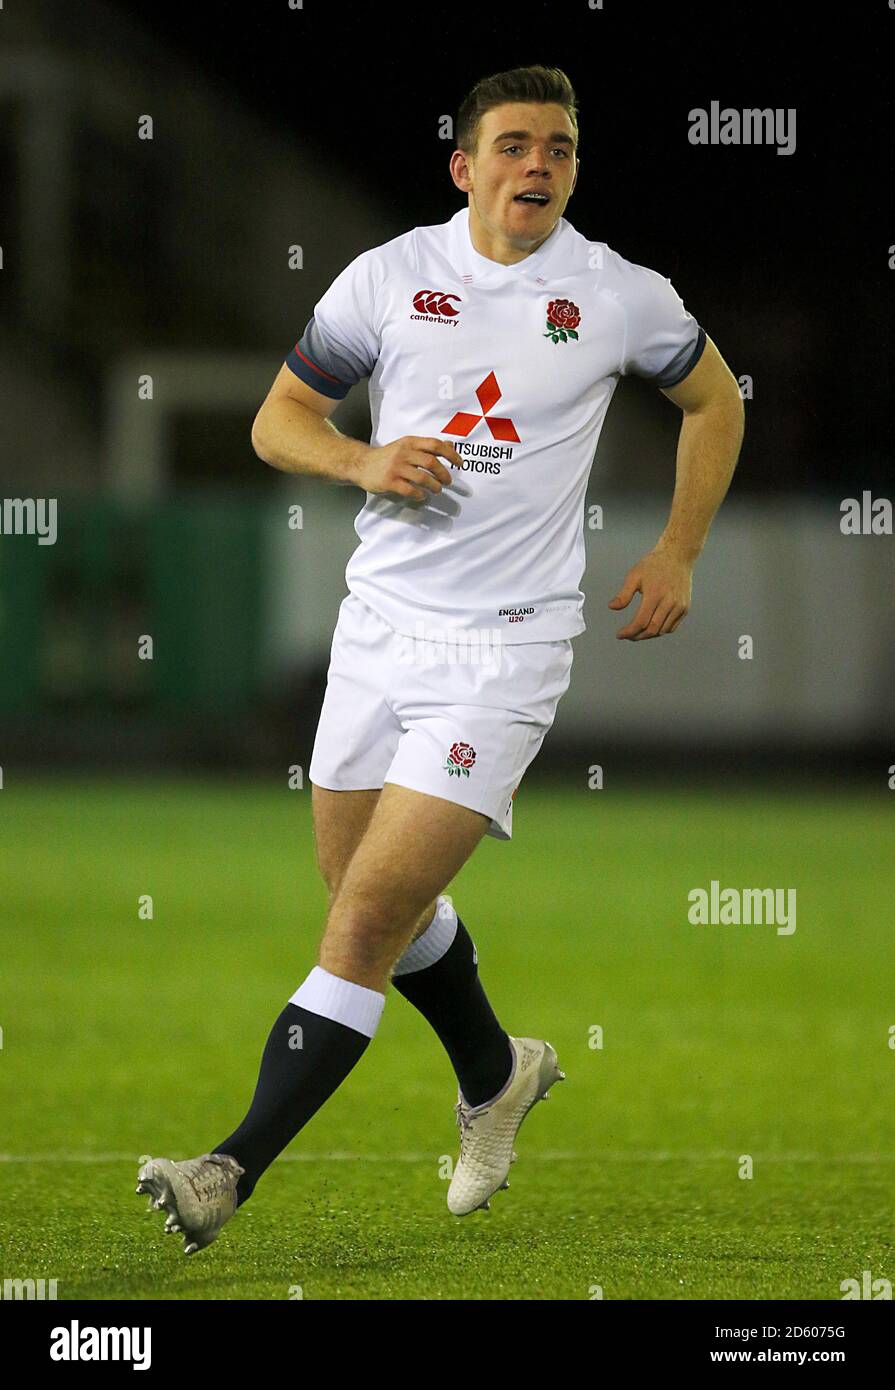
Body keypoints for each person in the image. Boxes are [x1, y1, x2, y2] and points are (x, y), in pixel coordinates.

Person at [136, 63, 744, 1255]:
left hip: (504, 654)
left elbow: (714, 401)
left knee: (363, 920)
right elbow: (277, 421)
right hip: (377, 636)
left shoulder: (618, 294)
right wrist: (367, 462)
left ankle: (225, 1171)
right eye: (513, 145)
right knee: (369, 896)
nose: (538, 166)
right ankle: (495, 1069)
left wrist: (677, 550)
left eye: (559, 149)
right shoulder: (387, 278)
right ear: (463, 166)